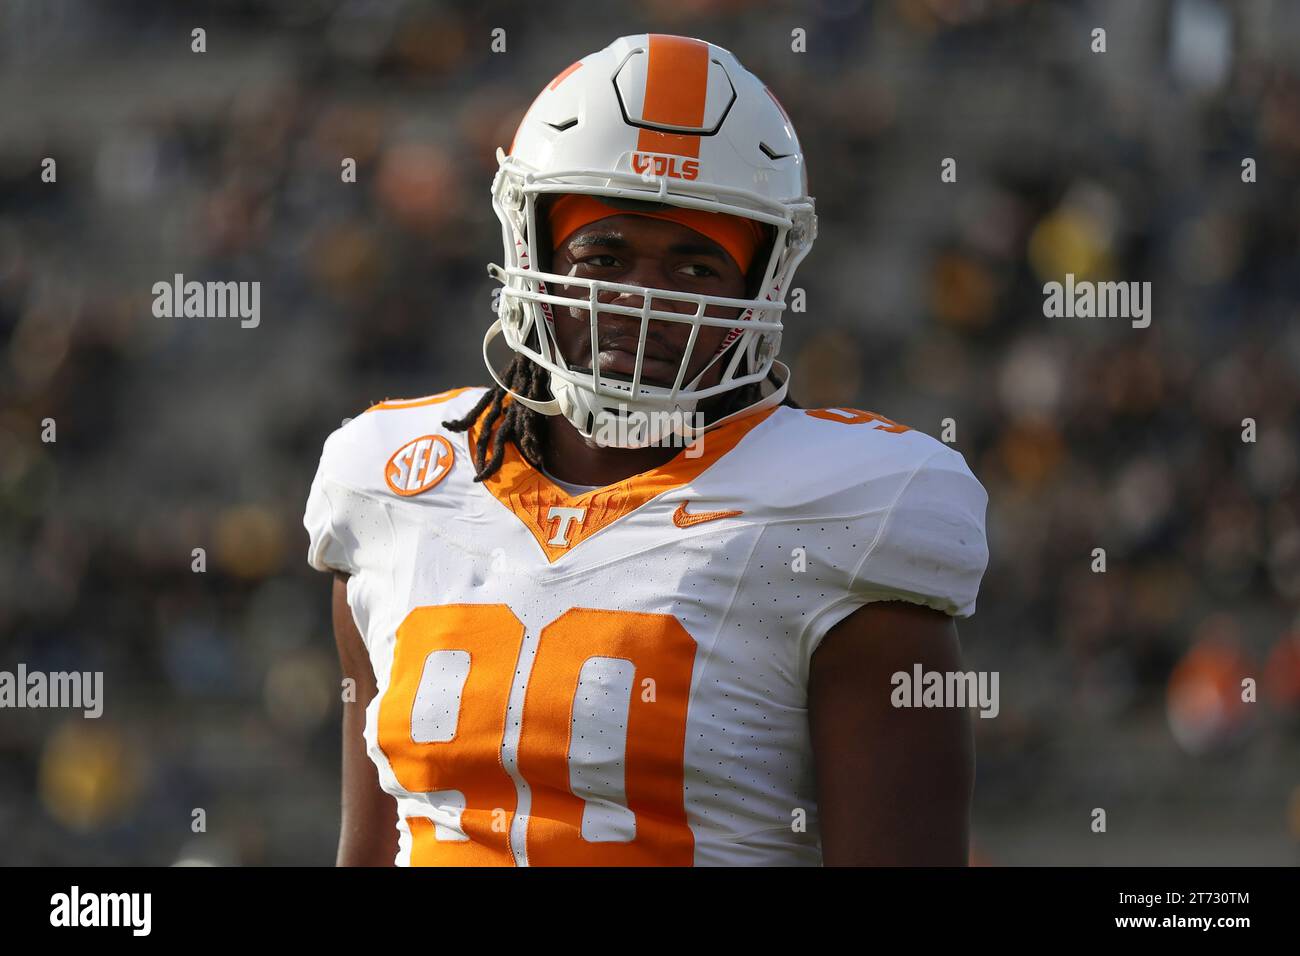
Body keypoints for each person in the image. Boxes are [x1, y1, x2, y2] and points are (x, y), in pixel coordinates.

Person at [304, 33, 989, 866]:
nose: (642, 298)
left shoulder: (850, 514)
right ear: (531, 251)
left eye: (697, 267)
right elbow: (372, 849)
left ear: (762, 284)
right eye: (605, 255)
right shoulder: (393, 484)